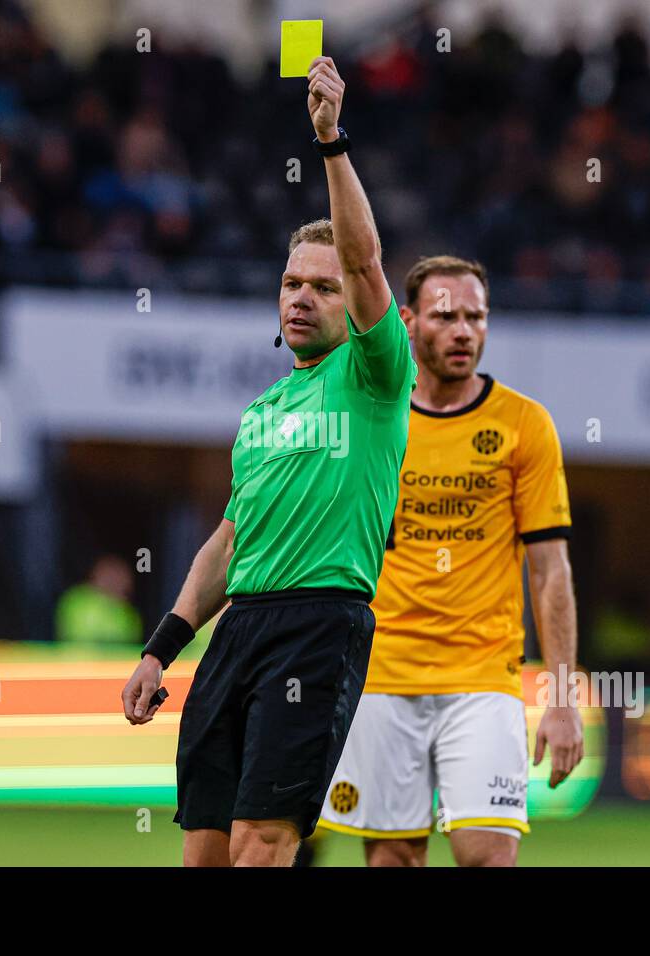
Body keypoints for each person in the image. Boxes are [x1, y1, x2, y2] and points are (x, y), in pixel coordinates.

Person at [120, 57, 416, 867]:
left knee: (263, 843)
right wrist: (160, 648)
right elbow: (227, 541)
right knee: (206, 851)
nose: (299, 297)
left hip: (320, 622)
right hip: (239, 630)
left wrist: (330, 142)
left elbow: (363, 261)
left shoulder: (375, 376)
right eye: (289, 283)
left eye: (320, 288)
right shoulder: (260, 413)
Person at [317, 255, 583, 866]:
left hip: (483, 679)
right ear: (408, 321)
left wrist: (563, 697)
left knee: (486, 854)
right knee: (393, 861)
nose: (464, 331)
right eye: (447, 316)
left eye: (477, 317)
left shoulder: (524, 425)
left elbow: (551, 571)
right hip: (382, 677)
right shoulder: (374, 420)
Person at [55, 554, 141, 645]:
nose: (114, 581)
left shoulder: (130, 615)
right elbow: (74, 638)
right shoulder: (75, 601)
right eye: (110, 575)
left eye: (119, 576)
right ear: (95, 574)